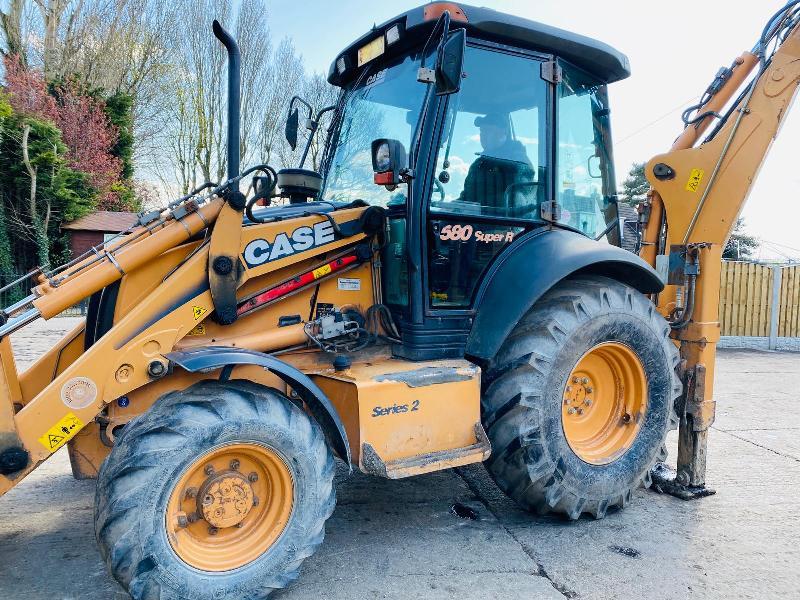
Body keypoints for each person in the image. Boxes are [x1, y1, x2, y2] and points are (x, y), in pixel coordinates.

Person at [458, 112, 534, 214]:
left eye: (489, 131)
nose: (483, 135)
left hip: (503, 225)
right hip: (476, 221)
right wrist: (453, 206)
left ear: (503, 132)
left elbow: (517, 199)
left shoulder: (518, 162)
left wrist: (477, 207)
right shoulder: (478, 164)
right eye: (482, 131)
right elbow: (467, 196)